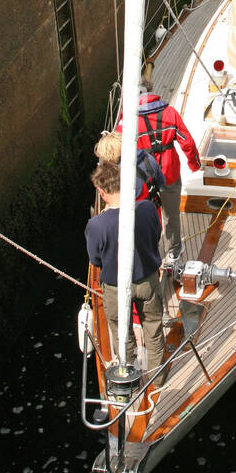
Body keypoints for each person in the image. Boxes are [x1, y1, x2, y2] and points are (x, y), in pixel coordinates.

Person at [85, 160, 165, 374]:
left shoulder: (96, 225)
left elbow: (95, 260)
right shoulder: (147, 208)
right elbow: (156, 236)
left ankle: (127, 376)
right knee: (154, 328)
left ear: (101, 192)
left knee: (122, 334)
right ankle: (157, 377)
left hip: (115, 287)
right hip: (147, 280)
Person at [117, 76, 201, 258]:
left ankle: (151, 251)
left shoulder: (129, 121)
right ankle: (174, 250)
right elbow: (188, 142)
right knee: (171, 213)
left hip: (144, 176)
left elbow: (117, 149)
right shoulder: (170, 112)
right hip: (169, 171)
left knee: (148, 215)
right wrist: (194, 164)